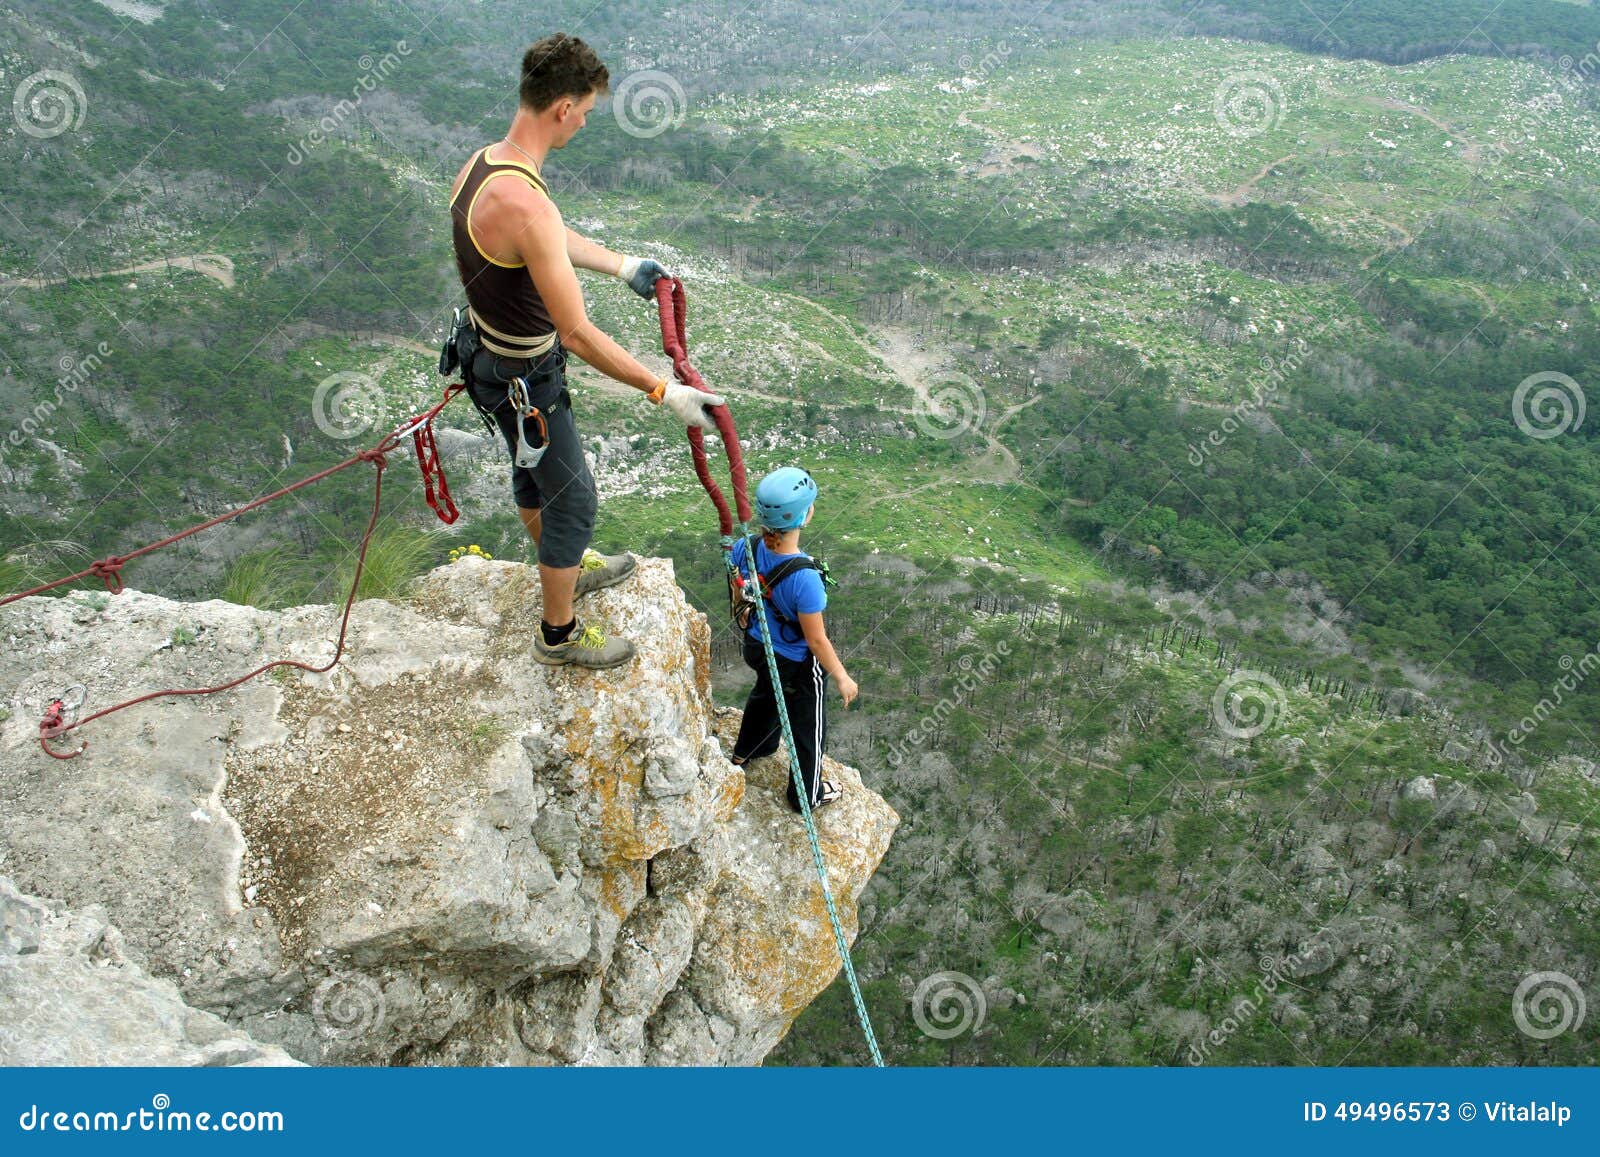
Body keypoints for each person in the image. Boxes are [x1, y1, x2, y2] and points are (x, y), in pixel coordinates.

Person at [449, 32, 726, 668]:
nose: (585, 124)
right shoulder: (527, 203)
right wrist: (665, 390)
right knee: (573, 497)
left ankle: (563, 572)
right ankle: (559, 633)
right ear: (564, 108)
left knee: (532, 468)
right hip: (528, 374)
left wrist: (620, 264)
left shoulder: (484, 165)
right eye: (589, 112)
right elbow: (574, 331)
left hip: (488, 362)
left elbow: (541, 236)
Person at [728, 467, 859, 813]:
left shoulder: (749, 545)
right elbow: (816, 641)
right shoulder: (806, 579)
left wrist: (742, 608)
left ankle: (748, 750)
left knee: (767, 693)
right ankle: (807, 795)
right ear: (806, 515)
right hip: (797, 662)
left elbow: (736, 574)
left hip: (758, 644)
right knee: (807, 726)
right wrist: (843, 677)